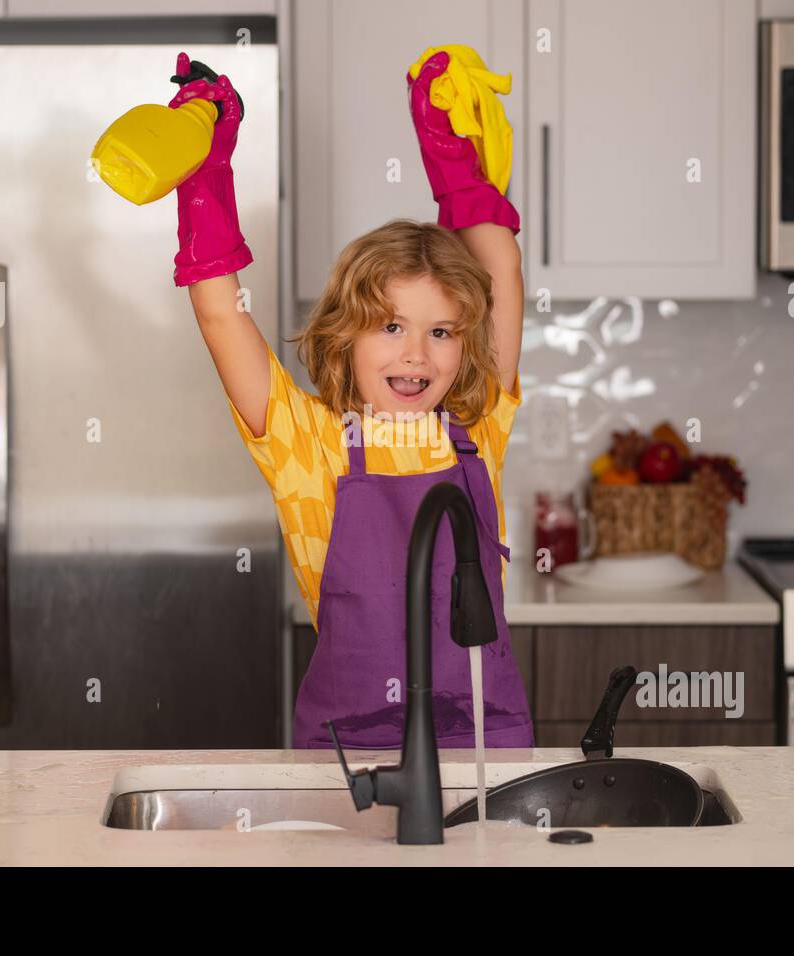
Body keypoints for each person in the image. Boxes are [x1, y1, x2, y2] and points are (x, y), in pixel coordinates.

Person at [171, 50, 533, 750]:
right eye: (391, 327)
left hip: (479, 746)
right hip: (349, 757)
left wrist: (449, 151)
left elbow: (503, 271)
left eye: (441, 332)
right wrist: (206, 172)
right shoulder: (304, 441)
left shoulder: (476, 422)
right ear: (345, 337)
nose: (417, 355)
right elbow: (221, 315)